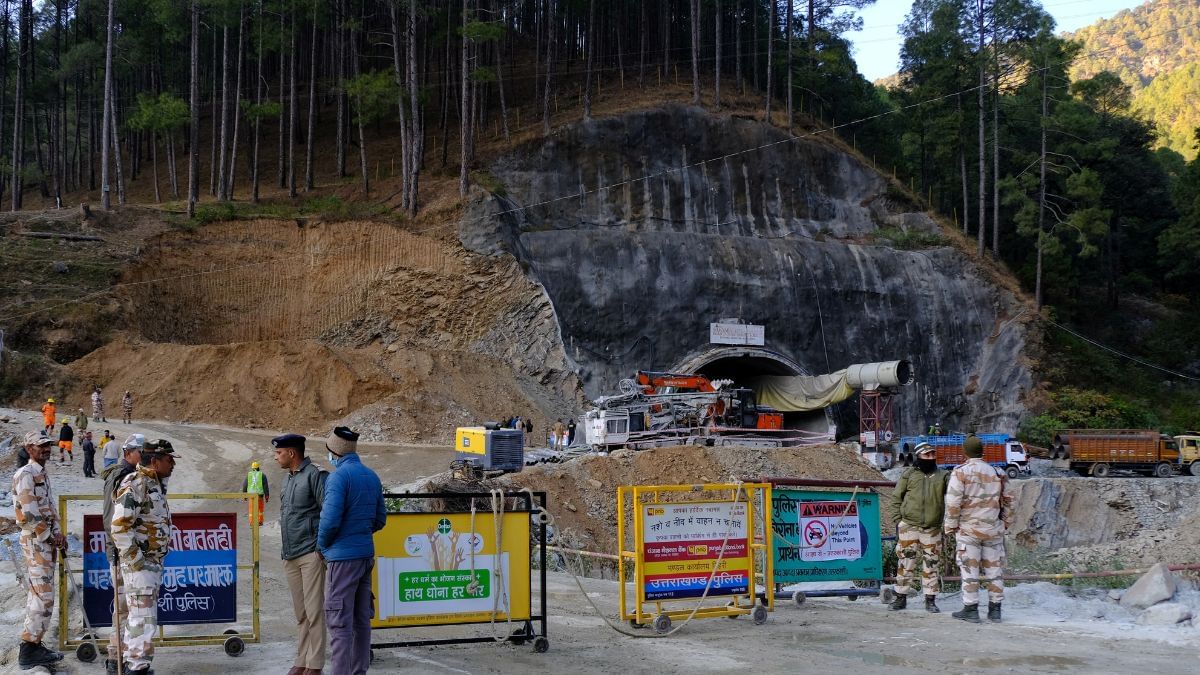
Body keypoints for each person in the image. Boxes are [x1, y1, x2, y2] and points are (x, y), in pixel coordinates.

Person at [318, 426, 385, 675]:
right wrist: (360, 532)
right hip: (365, 556)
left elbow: (330, 520)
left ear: (334, 452)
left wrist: (323, 545)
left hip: (341, 559)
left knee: (339, 622)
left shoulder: (338, 478)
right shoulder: (371, 476)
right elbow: (380, 519)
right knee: (360, 620)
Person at [111, 438, 177, 674]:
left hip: (150, 564)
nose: (173, 464)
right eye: (169, 460)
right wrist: (137, 561)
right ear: (156, 460)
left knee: (139, 618)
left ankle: (133, 665)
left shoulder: (153, 483)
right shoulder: (137, 483)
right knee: (144, 619)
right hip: (141, 565)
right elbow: (119, 526)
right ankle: (138, 667)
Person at [12, 430, 67, 670]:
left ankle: (34, 644)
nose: (46, 448)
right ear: (29, 448)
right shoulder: (25, 474)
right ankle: (29, 649)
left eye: (48, 445)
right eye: (40, 445)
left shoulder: (41, 473)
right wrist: (48, 535)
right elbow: (30, 512)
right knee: (42, 596)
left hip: (45, 541)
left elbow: (48, 508)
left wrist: (58, 532)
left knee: (42, 595)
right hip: (36, 541)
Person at [274, 434, 328, 675]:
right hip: (291, 554)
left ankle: (315, 664)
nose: (276, 457)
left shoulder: (315, 475)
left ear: (292, 454)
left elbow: (328, 512)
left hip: (310, 553)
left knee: (314, 610)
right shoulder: (287, 479)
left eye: (279, 453)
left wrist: (320, 548)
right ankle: (302, 660)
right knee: (301, 612)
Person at [944, 434, 1013, 624]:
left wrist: (950, 526)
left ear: (964, 452)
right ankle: (995, 610)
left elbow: (953, 502)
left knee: (969, 569)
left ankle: (971, 609)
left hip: (969, 530)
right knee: (994, 569)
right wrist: (1005, 521)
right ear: (982, 451)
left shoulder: (960, 472)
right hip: (993, 530)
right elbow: (1008, 499)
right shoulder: (997, 472)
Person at [887, 442, 950, 613]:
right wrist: (898, 520)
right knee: (905, 562)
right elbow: (896, 498)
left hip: (932, 528)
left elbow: (955, 491)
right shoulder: (909, 475)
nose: (930, 457)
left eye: (932, 454)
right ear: (919, 456)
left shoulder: (943, 475)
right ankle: (900, 598)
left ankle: (930, 600)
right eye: (926, 455)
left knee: (931, 563)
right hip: (909, 526)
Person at [101, 434, 145, 674]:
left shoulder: (132, 475)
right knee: (124, 608)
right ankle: (116, 659)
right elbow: (110, 518)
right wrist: (119, 548)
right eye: (141, 452)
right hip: (121, 553)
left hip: (126, 552)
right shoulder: (120, 477)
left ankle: (122, 658)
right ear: (128, 453)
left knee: (130, 609)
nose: (144, 457)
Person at [242, 461, 270, 526]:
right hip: (259, 495)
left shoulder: (249, 475)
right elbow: (265, 486)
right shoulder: (262, 475)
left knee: (251, 509)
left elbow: (245, 485)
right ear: (258, 468)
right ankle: (260, 521)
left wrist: (244, 495)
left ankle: (252, 522)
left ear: (252, 468)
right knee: (260, 509)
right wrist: (267, 496)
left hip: (251, 496)